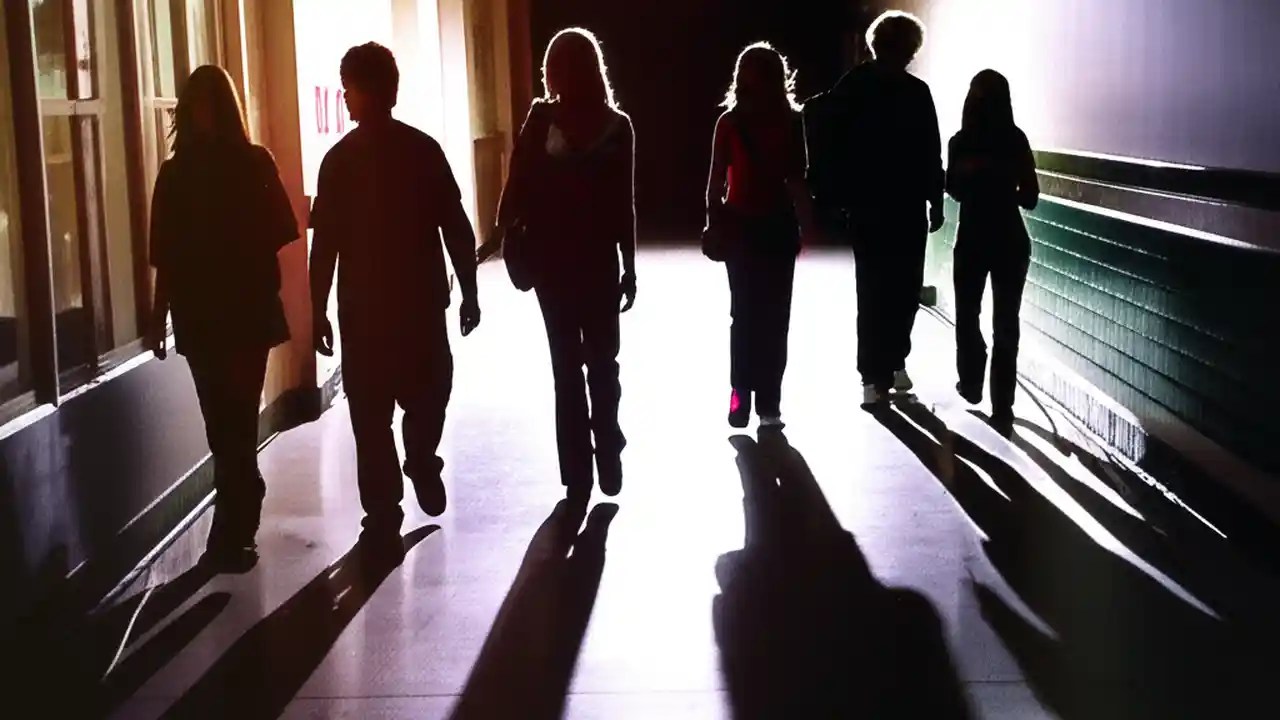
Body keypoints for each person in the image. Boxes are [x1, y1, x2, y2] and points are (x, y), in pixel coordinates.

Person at [309, 43, 480, 539]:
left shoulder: (339, 162)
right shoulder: (422, 151)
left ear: (369, 92)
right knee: (430, 392)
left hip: (363, 310)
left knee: (370, 414)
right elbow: (456, 227)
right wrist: (468, 290)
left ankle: (385, 508)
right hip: (420, 305)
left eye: (349, 89)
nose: (345, 98)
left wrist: (318, 310)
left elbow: (325, 247)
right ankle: (420, 458)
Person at [147, 65, 298, 568]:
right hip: (216, 311)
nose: (201, 115)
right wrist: (159, 313)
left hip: (232, 309)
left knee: (233, 419)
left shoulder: (231, 166)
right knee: (224, 423)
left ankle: (233, 529)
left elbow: (169, 252)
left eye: (207, 105)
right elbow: (165, 256)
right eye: (196, 105)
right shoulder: (197, 171)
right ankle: (240, 508)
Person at [480, 28, 635, 503]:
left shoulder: (541, 120)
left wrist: (504, 232)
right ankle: (607, 447)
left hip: (553, 261)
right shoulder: (617, 126)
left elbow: (516, 183)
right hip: (597, 261)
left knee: (566, 367)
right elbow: (622, 204)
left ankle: (577, 472)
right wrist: (629, 264)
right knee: (603, 363)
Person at [803, 10, 945, 407]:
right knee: (904, 287)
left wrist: (829, 188)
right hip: (907, 204)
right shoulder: (917, 93)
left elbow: (818, 117)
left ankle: (874, 375)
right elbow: (930, 150)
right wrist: (936, 201)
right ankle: (893, 362)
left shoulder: (855, 85)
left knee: (872, 288)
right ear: (910, 49)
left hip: (866, 203)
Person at [704, 42, 815, 429]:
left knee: (744, 314)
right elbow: (797, 180)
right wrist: (807, 224)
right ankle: (770, 403)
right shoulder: (792, 121)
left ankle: (740, 394)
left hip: (740, 226)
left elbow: (716, 181)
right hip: (778, 227)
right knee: (775, 317)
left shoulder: (729, 123)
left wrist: (714, 221)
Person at [947, 70, 1039, 435]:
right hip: (1010, 238)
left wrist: (974, 177)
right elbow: (1030, 197)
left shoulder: (960, 142)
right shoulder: (1016, 140)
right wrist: (1003, 187)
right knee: (1007, 323)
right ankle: (1003, 405)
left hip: (972, 237)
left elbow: (953, 189)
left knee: (967, 314)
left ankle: (971, 381)